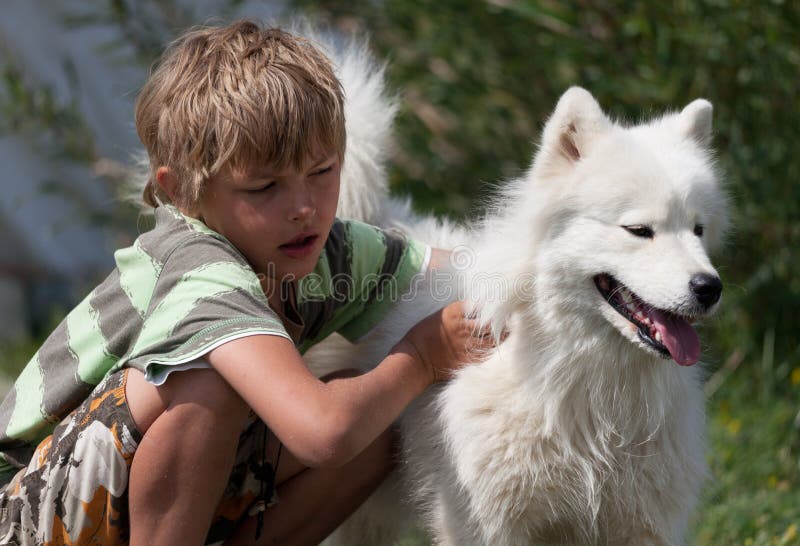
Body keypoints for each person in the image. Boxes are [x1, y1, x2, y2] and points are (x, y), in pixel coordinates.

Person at [0, 20, 493, 545]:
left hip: (121, 509)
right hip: (23, 513)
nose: (303, 207)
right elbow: (322, 433)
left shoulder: (325, 251)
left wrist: (527, 290)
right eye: (263, 187)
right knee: (208, 384)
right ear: (182, 191)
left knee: (377, 421)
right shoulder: (200, 274)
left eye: (322, 171)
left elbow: (469, 269)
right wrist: (420, 356)